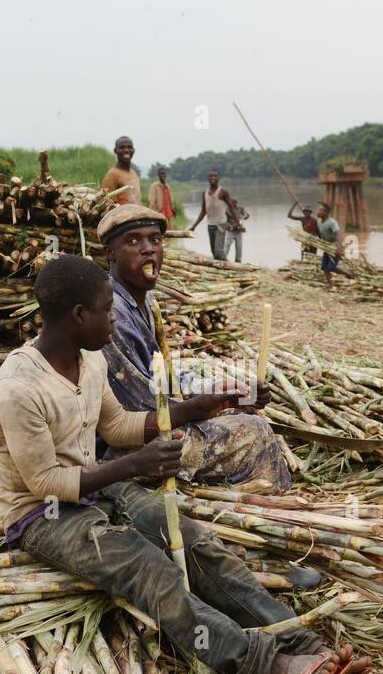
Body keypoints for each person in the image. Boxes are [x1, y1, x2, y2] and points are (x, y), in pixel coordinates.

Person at [0, 253, 368, 674]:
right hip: (41, 516)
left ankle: (294, 639)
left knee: (197, 543)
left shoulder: (89, 362)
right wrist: (136, 465)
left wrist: (199, 407)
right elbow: (46, 483)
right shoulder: (18, 388)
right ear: (79, 315)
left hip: (98, 491)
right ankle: (254, 668)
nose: (114, 317)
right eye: (107, 309)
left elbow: (118, 426)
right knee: (149, 569)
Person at [96, 204, 292, 491]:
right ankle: (272, 501)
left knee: (245, 415)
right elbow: (140, 410)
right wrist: (212, 405)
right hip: (121, 451)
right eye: (133, 241)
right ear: (110, 253)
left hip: (153, 422)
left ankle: (247, 492)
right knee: (254, 430)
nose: (148, 249)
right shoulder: (113, 314)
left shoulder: (146, 302)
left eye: (155, 240)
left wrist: (232, 391)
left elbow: (164, 379)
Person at [188, 170, 242, 261]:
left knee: (219, 252)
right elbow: (203, 211)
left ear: (218, 178)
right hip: (210, 225)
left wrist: (238, 222)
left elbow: (231, 208)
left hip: (221, 224)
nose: (213, 178)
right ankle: (222, 270)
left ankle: (230, 266)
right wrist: (194, 226)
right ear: (208, 178)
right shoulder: (204, 193)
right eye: (211, 176)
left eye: (215, 176)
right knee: (214, 253)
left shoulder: (223, 192)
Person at [100, 136, 141, 206]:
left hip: (137, 215)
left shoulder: (133, 173)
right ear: (115, 151)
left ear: (133, 150)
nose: (126, 150)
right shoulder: (112, 175)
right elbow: (108, 205)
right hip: (122, 216)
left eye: (129, 147)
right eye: (122, 147)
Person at [315, 201, 344, 285]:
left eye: (320, 211)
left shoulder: (332, 222)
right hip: (327, 247)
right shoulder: (319, 221)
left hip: (334, 246)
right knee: (324, 268)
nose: (317, 212)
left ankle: (348, 274)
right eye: (318, 210)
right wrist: (320, 241)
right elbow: (321, 233)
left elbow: (339, 235)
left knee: (332, 268)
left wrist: (339, 248)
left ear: (326, 212)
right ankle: (330, 285)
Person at [220, 194, 248, 263]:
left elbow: (246, 215)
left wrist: (242, 218)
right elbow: (223, 221)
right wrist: (231, 226)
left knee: (239, 247)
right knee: (227, 245)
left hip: (239, 231)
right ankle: (224, 259)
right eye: (233, 202)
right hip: (231, 231)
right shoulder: (227, 210)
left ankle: (238, 261)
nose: (234, 204)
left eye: (235, 202)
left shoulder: (240, 208)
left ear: (237, 202)